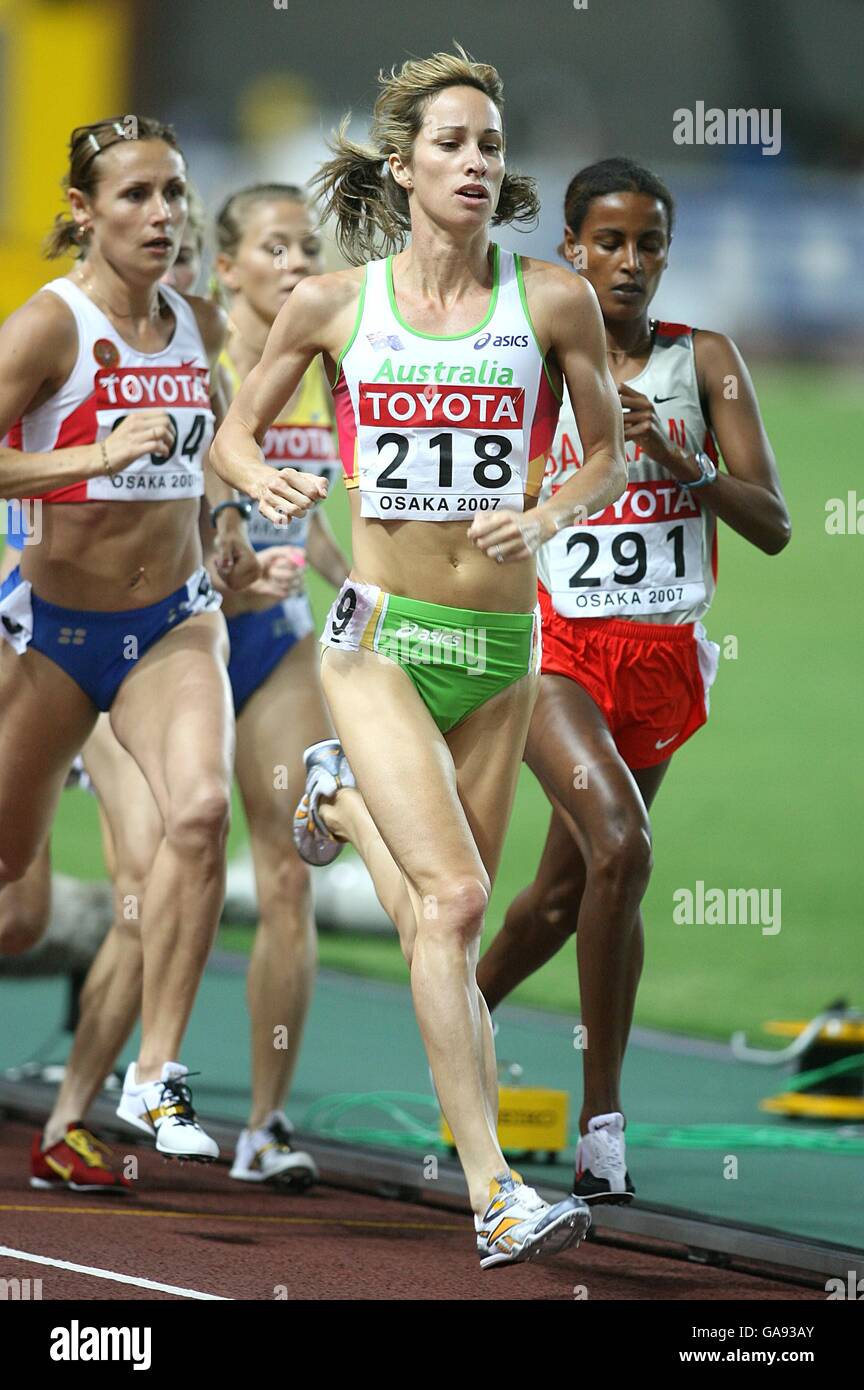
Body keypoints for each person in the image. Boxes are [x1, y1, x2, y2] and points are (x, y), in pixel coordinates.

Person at [211, 49, 627, 1268]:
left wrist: (547, 516)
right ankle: (497, 1196)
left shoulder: (550, 300)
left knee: (430, 928)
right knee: (451, 899)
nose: (476, 161)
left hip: (504, 650)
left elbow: (600, 449)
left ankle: (334, 788)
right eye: (451, 142)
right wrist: (263, 472)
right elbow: (237, 431)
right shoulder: (337, 305)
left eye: (490, 145)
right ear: (403, 167)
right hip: (380, 642)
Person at [473, 158, 791, 1202]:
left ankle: (456, 1009)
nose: (629, 261)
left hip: (662, 657)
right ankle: (603, 1119)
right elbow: (488, 483)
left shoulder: (705, 361)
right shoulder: (538, 358)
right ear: (571, 248)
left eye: (648, 243)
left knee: (566, 895)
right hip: (557, 648)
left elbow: (776, 525)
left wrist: (684, 461)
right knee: (623, 844)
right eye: (607, 241)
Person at [22, 181, 349, 1192]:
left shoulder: (323, 368)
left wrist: (347, 589)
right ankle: (83, 1103)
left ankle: (255, 1118)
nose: (299, 266)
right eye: (279, 248)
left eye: (310, 248)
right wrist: (217, 533)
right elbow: (180, 470)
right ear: (230, 266)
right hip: (101, 636)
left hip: (239, 635)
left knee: (281, 862)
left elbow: (326, 521)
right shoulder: (172, 340)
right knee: (104, 894)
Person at [0, 116, 276, 1164]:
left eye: (173, 193)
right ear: (82, 210)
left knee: (200, 814)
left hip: (172, 621)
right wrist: (90, 453)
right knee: (12, 882)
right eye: (134, 197)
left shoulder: (197, 321)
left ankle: (153, 1073)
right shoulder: (49, 328)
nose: (162, 215)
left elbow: (216, 450)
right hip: (52, 635)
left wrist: (234, 522)